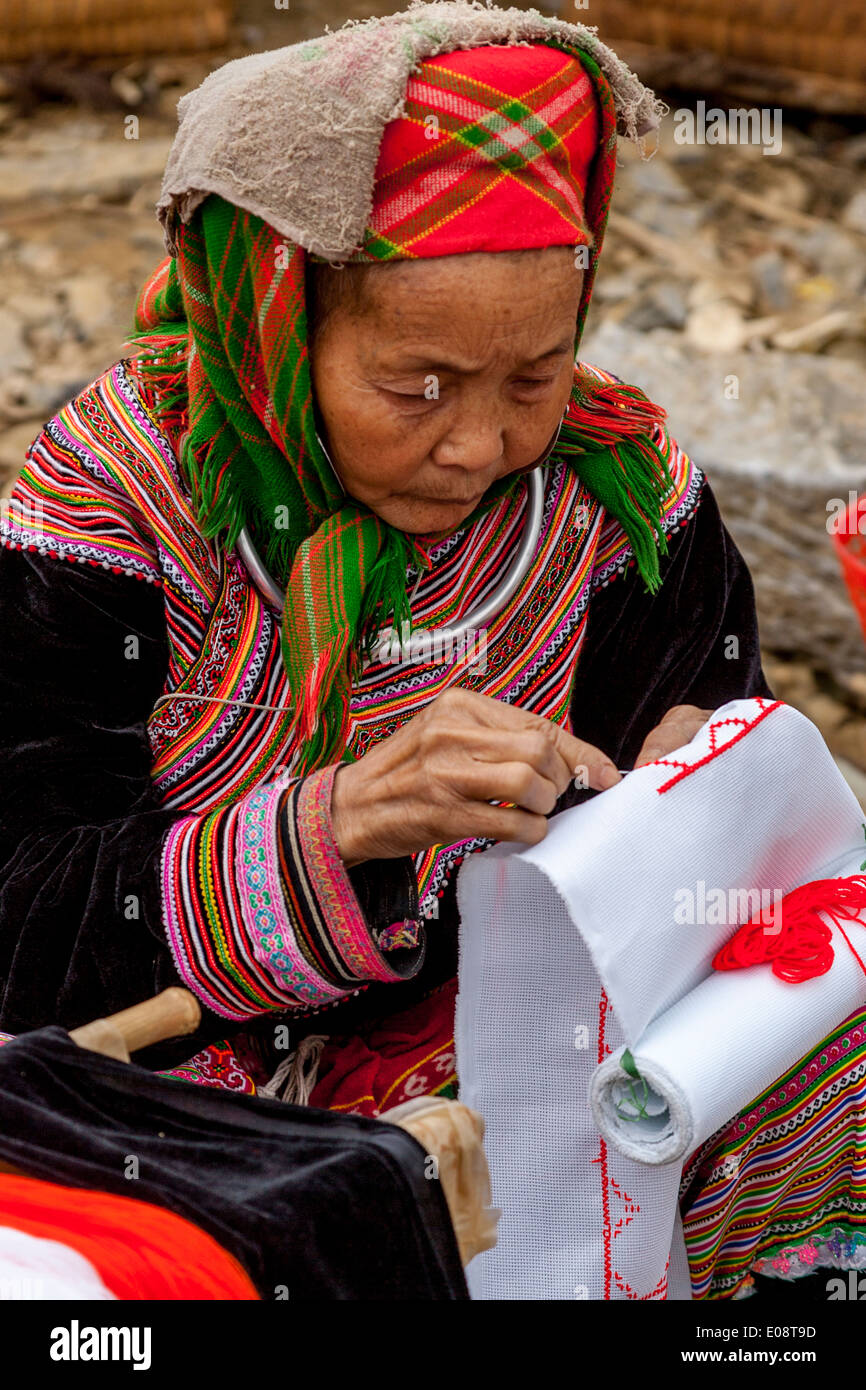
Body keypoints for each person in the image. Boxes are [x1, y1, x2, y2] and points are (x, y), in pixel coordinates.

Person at [1, 3, 862, 1298]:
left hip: (519, 1028)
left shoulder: (615, 490)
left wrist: (697, 785)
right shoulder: (114, 511)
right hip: (182, 1069)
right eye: (416, 386)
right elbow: (18, 913)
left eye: (534, 373)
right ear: (277, 323)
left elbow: (702, 745)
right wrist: (335, 822)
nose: (480, 445)